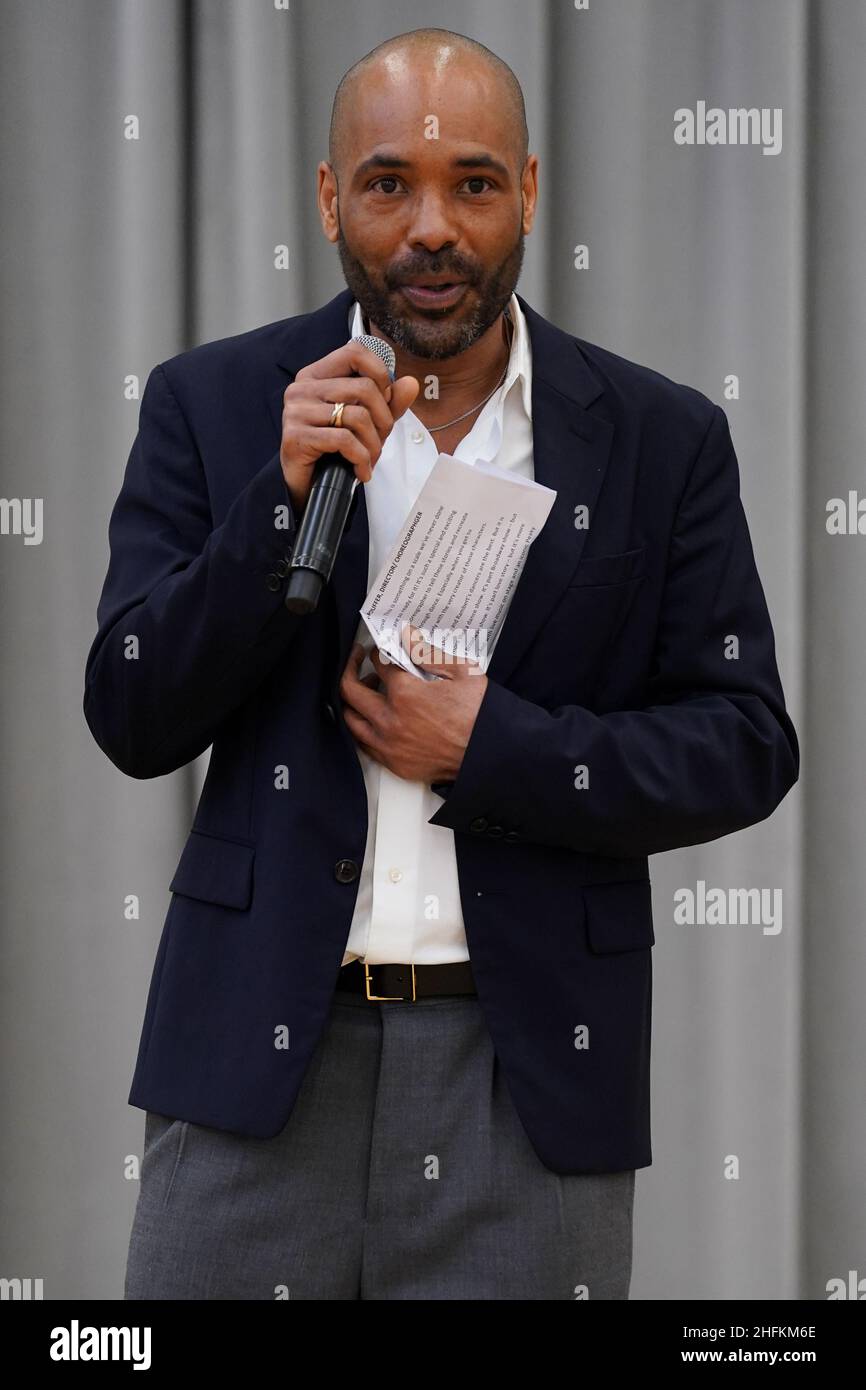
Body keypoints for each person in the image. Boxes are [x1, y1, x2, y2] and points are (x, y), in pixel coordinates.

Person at [83, 27, 799, 1300]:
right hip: (256, 1065)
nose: (431, 229)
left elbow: (743, 743)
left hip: (525, 1082)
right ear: (328, 198)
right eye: (387, 185)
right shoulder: (214, 403)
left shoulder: (658, 436)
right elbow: (131, 711)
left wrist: (492, 749)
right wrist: (274, 500)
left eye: (472, 184)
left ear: (528, 191)